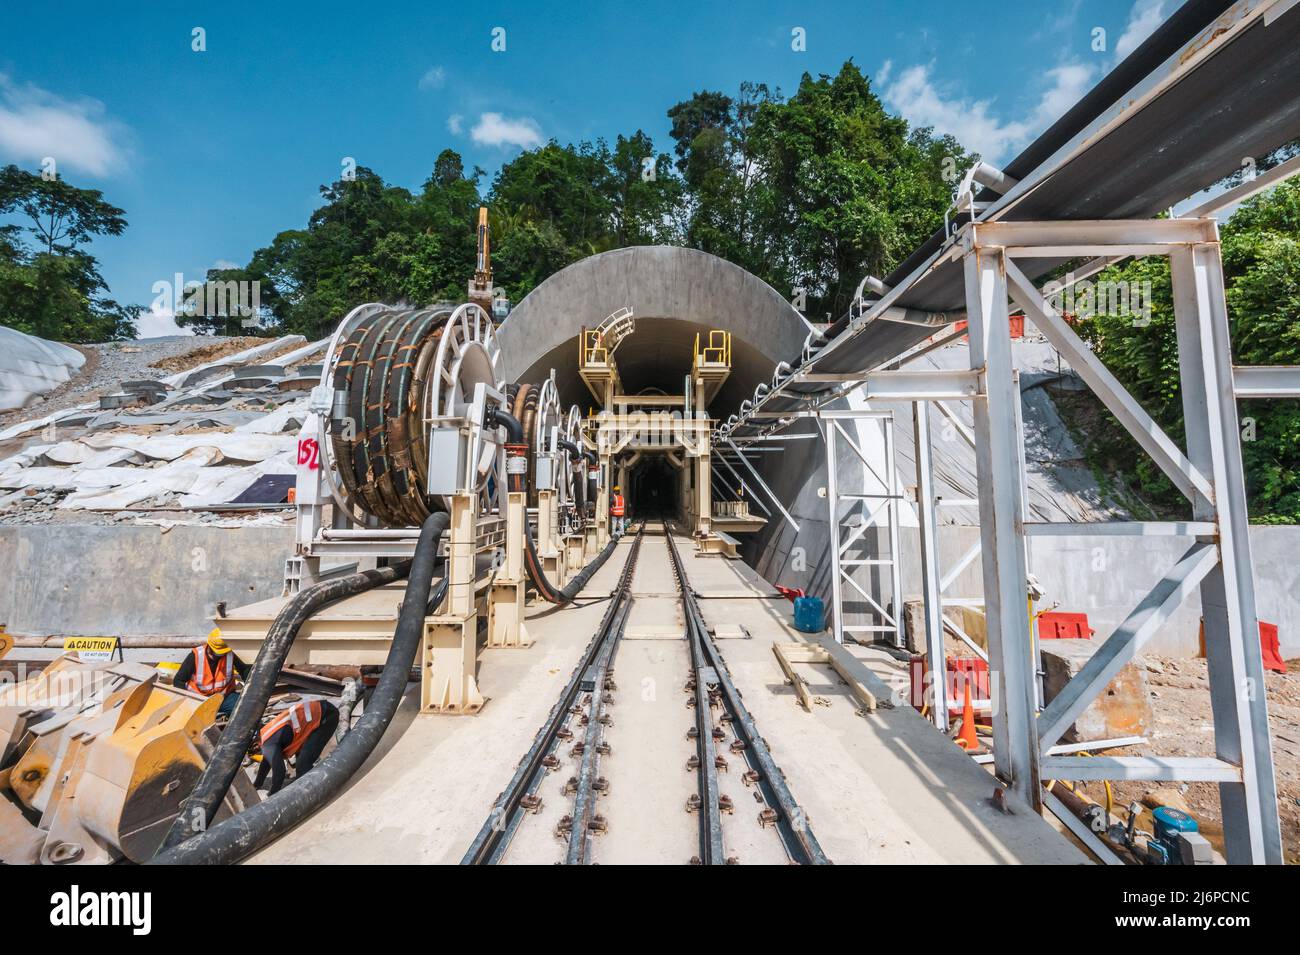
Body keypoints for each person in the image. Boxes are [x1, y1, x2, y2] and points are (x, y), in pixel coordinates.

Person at [253, 699, 340, 795]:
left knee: (302, 766)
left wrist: (273, 795)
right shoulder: (266, 733)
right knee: (302, 761)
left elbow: (280, 772)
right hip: (323, 710)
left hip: (326, 718)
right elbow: (266, 764)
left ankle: (320, 793)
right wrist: (257, 784)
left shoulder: (267, 744)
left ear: (255, 744)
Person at [172, 628, 250, 719]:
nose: (222, 655)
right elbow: (178, 681)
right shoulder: (196, 655)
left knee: (243, 708)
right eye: (220, 653)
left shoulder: (230, 653)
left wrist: (252, 687)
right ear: (210, 648)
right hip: (200, 700)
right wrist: (187, 702)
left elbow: (244, 670)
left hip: (224, 698)